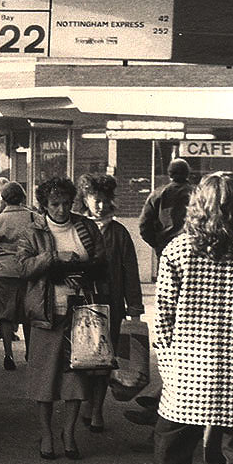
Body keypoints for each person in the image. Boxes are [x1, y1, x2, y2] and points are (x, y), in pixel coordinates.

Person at [129, 172, 233, 464]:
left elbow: (163, 315)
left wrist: (168, 365)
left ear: (196, 204)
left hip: (188, 368)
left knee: (171, 443)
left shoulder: (178, 249)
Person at [17, 177, 108, 460]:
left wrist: (82, 272)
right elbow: (22, 267)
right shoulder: (33, 231)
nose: (61, 209)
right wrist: (55, 258)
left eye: (67, 203)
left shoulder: (86, 227)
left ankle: (68, 433)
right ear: (44, 204)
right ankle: (46, 433)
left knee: (76, 377)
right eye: (55, 204)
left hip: (80, 313)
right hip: (46, 313)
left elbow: (101, 263)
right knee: (44, 378)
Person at [129, 158, 196, 424]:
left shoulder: (158, 195)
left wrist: (159, 244)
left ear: (169, 173)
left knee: (172, 311)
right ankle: (161, 399)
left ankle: (162, 400)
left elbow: (144, 226)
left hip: (169, 251)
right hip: (197, 253)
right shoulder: (198, 193)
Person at [76, 174, 144, 433]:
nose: (101, 206)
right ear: (85, 200)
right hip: (82, 304)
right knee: (83, 357)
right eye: (96, 200)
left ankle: (96, 409)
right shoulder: (78, 227)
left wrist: (134, 309)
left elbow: (130, 273)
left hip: (111, 305)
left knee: (105, 359)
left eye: (105, 200)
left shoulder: (119, 233)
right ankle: (86, 402)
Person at [0, 181, 36, 371]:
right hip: (29, 271)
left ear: (4, 199)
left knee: (5, 315)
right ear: (23, 197)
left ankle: (8, 354)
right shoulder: (34, 217)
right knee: (29, 313)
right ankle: (30, 352)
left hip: (4, 271)